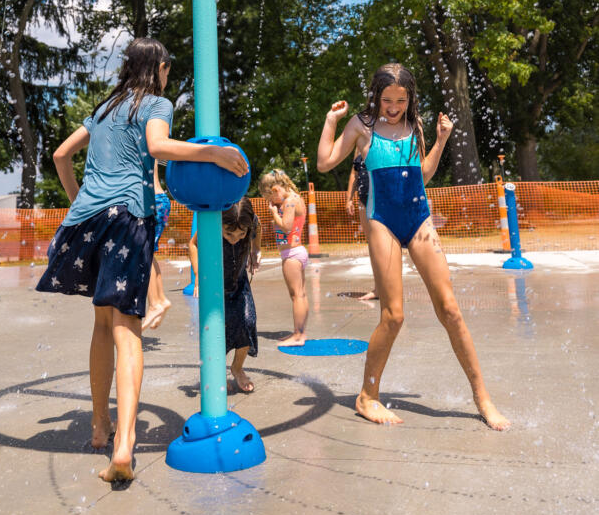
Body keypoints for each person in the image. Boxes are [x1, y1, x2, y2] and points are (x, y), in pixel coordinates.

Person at [36, 37, 249, 482]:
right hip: (128, 217)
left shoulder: (103, 109)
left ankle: (99, 426)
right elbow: (157, 147)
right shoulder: (156, 103)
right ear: (163, 68)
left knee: (101, 323)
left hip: (86, 221)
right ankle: (124, 445)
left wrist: (81, 201)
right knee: (127, 330)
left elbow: (60, 155)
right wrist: (212, 152)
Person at [317, 62, 510, 431]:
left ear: (410, 98)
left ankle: (482, 397)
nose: (392, 107)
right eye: (386, 100)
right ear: (376, 95)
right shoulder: (362, 125)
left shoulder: (415, 125)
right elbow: (325, 163)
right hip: (382, 222)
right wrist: (331, 121)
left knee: (451, 309)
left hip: (419, 219)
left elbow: (422, 174)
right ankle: (367, 397)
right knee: (394, 316)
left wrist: (441, 140)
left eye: (400, 101)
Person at [188, 197, 262, 393]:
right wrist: (197, 274)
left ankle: (237, 367)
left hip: (239, 281)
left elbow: (258, 225)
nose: (235, 238)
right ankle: (216, 371)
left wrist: (256, 250)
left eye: (241, 234)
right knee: (217, 330)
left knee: (248, 321)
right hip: (214, 284)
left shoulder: (251, 222)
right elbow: (193, 245)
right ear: (221, 223)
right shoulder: (212, 223)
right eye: (229, 233)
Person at [260, 169, 309, 347]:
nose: (271, 202)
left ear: (275, 190)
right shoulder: (296, 198)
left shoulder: (289, 202)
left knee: (296, 295)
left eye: (269, 197)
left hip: (292, 254)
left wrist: (274, 214)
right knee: (301, 295)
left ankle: (297, 335)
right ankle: (301, 333)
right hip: (298, 252)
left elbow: (287, 227)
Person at [141, 163, 173, 332]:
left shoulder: (141, 138)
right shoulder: (148, 138)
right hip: (159, 201)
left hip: (152, 202)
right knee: (149, 253)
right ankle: (160, 299)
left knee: (143, 254)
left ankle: (155, 303)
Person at [345, 154, 378, 302]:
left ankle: (390, 287)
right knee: (373, 245)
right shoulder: (359, 136)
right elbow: (354, 172)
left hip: (382, 197)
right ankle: (379, 288)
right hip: (364, 199)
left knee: (386, 244)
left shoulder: (386, 132)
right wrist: (349, 198)